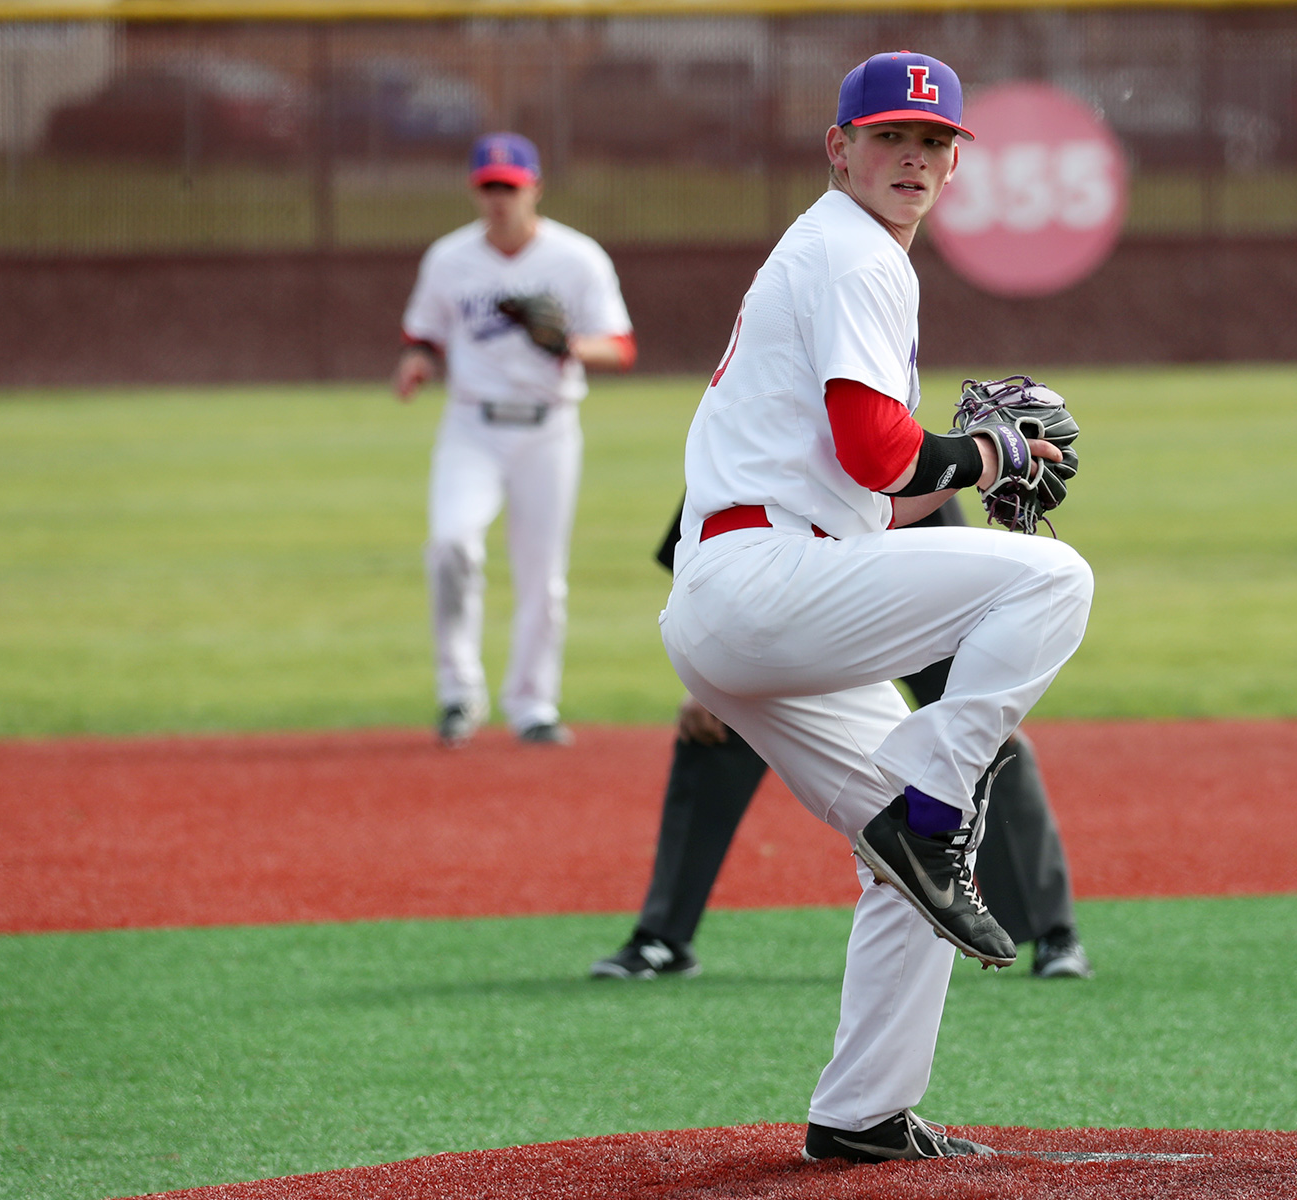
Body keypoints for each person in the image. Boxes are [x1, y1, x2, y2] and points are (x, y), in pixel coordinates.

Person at [656, 52, 1094, 1163]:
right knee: (1054, 580)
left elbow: (869, 498)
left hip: (751, 589)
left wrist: (971, 467)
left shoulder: (832, 251)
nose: (914, 157)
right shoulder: (854, 254)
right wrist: (993, 454)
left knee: (904, 857)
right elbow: (877, 452)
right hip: (768, 583)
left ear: (956, 164)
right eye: (891, 135)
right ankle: (933, 817)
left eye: (934, 141)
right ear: (839, 148)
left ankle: (863, 1114)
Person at [592, 496, 1092, 982]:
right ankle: (663, 935)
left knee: (982, 734)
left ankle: (1050, 929)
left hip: (909, 573)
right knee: (712, 726)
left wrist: (980, 460)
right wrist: (712, 659)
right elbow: (713, 524)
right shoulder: (744, 443)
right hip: (787, 588)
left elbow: (914, 468)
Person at [393, 132, 636, 747]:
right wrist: (417, 362)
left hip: (547, 429)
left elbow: (621, 347)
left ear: (535, 188)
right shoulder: (449, 259)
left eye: (510, 186)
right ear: (475, 191)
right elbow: (424, 334)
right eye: (489, 187)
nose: (499, 199)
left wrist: (569, 346)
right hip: (470, 425)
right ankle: (458, 693)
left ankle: (532, 705)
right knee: (450, 544)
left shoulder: (576, 258)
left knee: (543, 578)